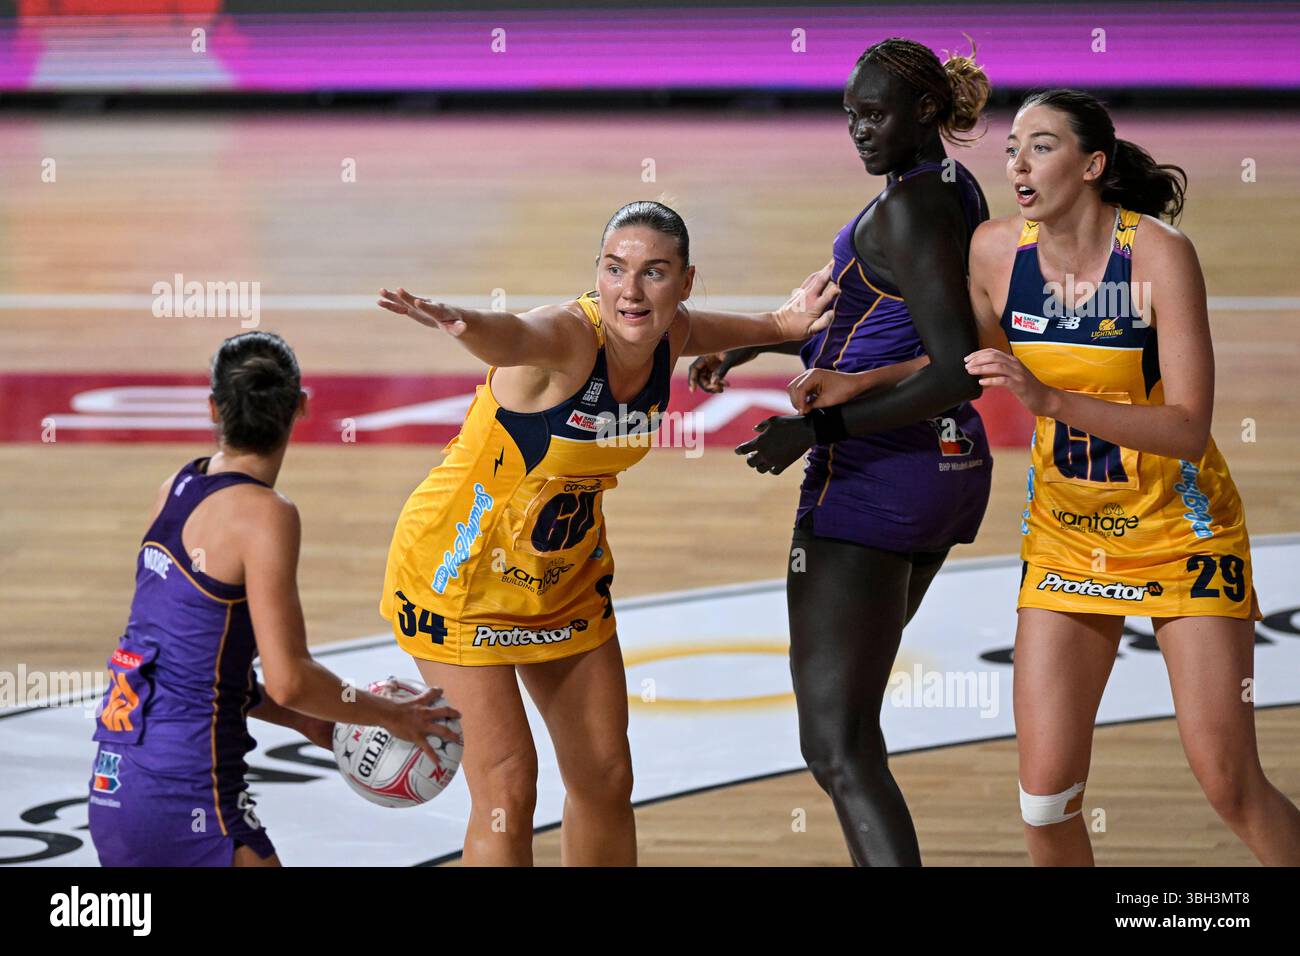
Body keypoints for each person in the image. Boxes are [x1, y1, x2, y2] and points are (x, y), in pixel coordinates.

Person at [375, 200, 839, 866]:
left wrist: (779, 324)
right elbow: (514, 333)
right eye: (615, 268)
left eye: (654, 272)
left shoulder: (670, 333)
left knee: (605, 780)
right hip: (456, 575)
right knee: (507, 787)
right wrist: (465, 324)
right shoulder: (569, 337)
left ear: (684, 281)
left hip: (564, 580)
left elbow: (717, 328)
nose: (630, 288)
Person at [958, 88, 1300, 865]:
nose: (1016, 161)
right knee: (1045, 801)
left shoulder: (1155, 254)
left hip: (1182, 530)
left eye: (1041, 145)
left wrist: (1048, 399)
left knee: (1229, 784)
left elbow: (1187, 427)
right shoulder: (992, 252)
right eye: (1011, 145)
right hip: (1067, 537)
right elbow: (958, 366)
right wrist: (839, 384)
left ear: (1093, 165)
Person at [703, 37, 994, 866]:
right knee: (852, 722)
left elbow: (957, 373)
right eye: (851, 115)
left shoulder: (910, 207)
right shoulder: (942, 187)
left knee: (837, 746)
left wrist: (815, 431)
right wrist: (757, 342)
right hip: (944, 476)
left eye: (875, 114)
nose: (859, 131)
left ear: (928, 112)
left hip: (876, 479)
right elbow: (865, 298)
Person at [88, 331, 461, 867]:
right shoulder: (266, 514)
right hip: (190, 790)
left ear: (213, 407)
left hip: (116, 784)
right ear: (302, 406)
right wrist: (386, 716)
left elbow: (197, 668)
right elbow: (291, 677)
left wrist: (308, 722)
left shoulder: (176, 486)